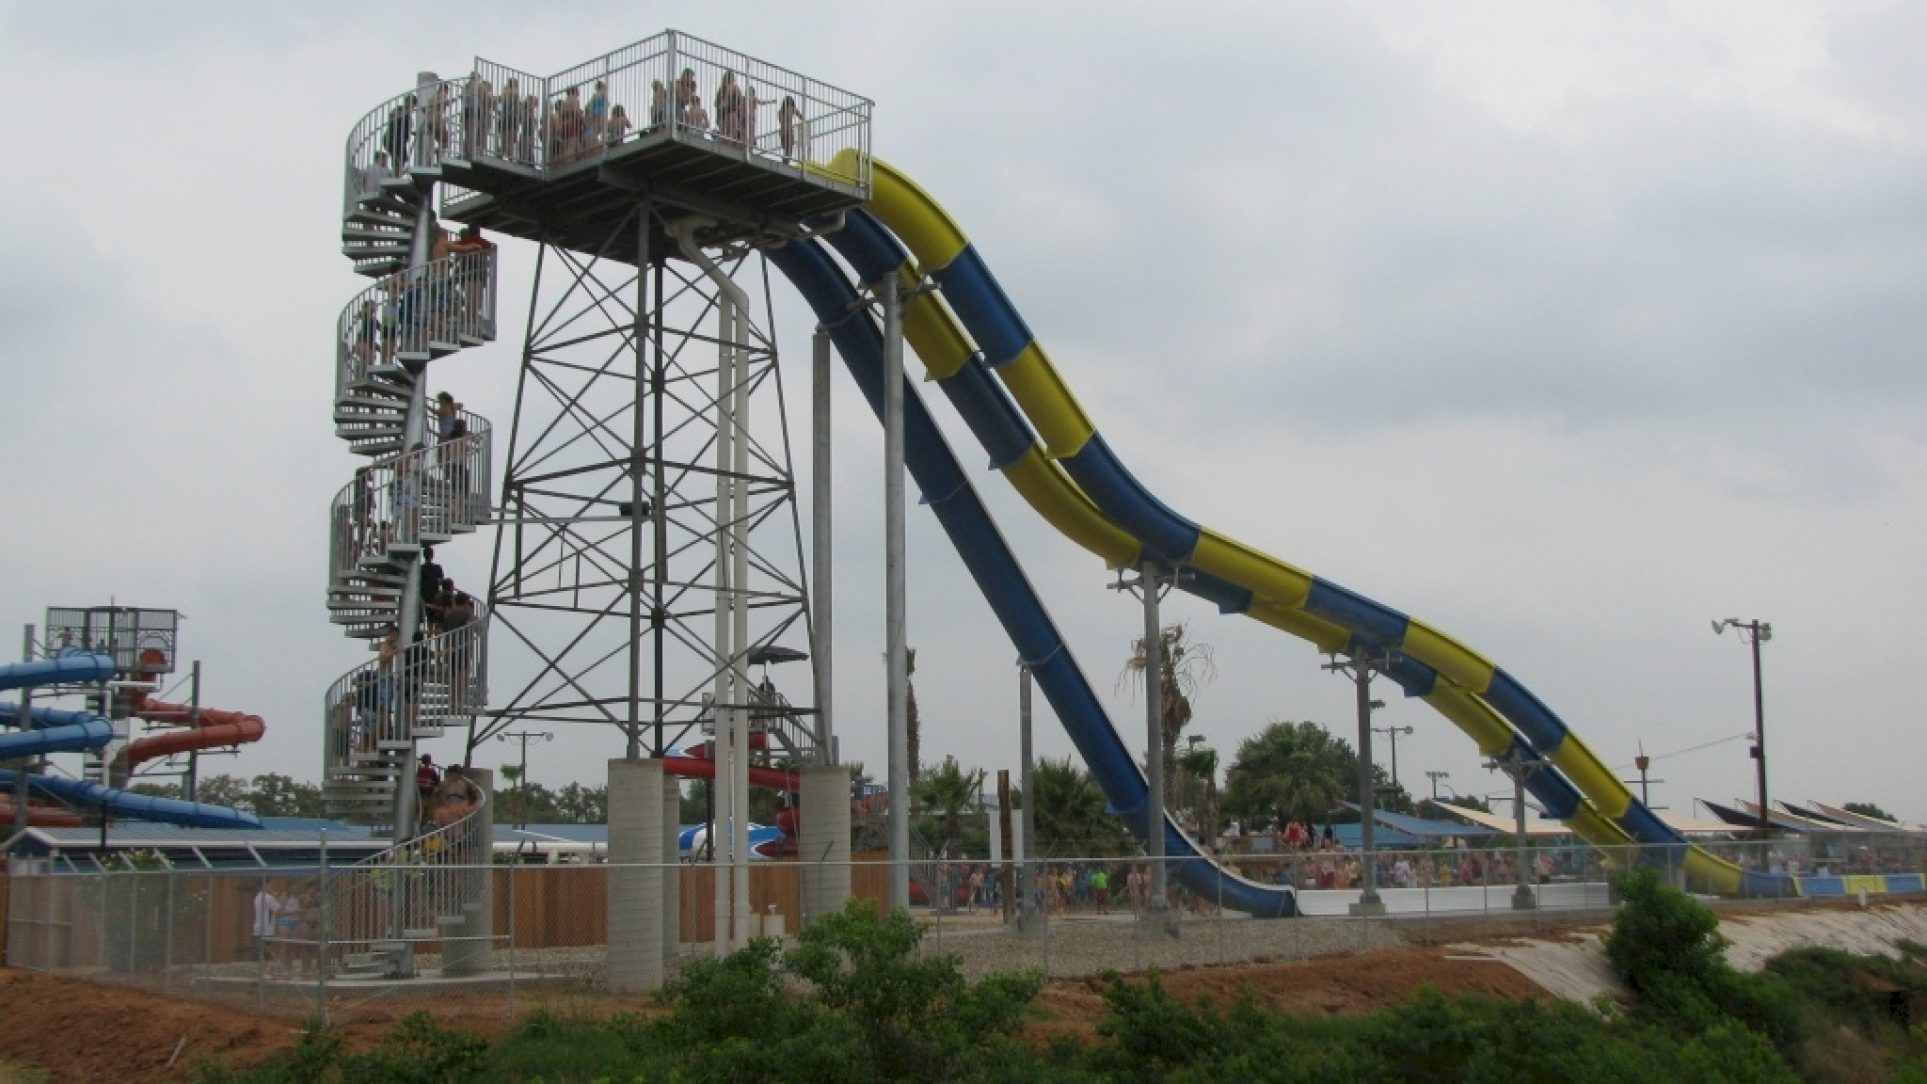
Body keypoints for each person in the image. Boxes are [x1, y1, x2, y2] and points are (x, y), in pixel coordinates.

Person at [251, 881, 282, 967]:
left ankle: (266, 970)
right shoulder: (269, 898)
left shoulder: (257, 897)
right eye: (270, 885)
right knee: (266, 951)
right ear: (266, 885)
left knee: (263, 952)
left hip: (258, 929)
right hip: (267, 929)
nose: (271, 887)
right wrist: (276, 897)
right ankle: (276, 966)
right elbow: (278, 909)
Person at [777, 95, 801, 161]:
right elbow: (800, 115)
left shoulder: (781, 111)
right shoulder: (791, 109)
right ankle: (786, 162)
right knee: (789, 149)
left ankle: (785, 161)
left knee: (786, 149)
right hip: (788, 131)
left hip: (782, 132)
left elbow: (780, 121)